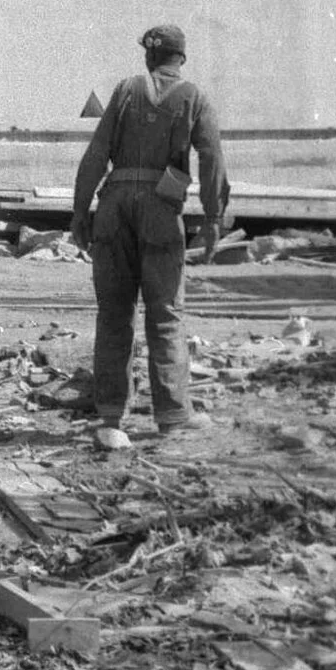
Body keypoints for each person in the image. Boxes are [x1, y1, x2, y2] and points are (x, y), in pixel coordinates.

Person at [71, 23, 228, 449]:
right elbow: (212, 156)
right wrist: (213, 218)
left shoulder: (126, 90)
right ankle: (174, 417)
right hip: (161, 211)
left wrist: (79, 213)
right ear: (182, 57)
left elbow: (95, 155)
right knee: (165, 313)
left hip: (114, 207)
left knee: (113, 313)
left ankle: (110, 417)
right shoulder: (194, 97)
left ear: (149, 56)